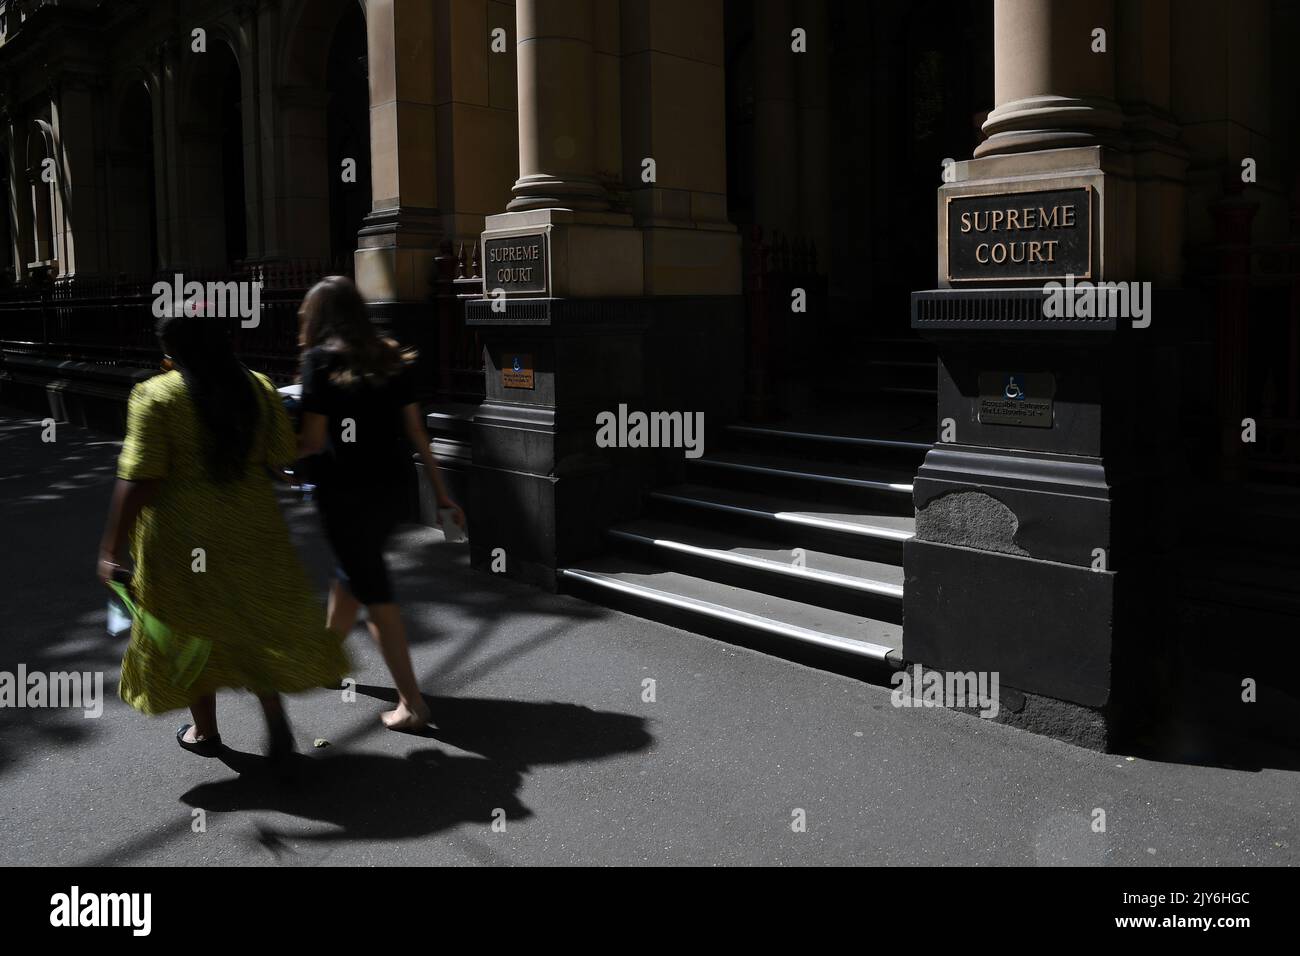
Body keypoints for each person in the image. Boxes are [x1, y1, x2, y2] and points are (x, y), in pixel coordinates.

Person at [97, 311, 350, 765]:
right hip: (252, 528)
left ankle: (205, 731)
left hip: (180, 535)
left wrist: (109, 549)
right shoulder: (257, 387)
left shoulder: (155, 396)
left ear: (170, 353)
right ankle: (273, 711)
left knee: (190, 629)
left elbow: (141, 478)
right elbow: (279, 459)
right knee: (253, 621)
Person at [296, 275, 464, 732]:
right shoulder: (391, 358)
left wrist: (274, 457)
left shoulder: (319, 362)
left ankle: (412, 702)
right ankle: (328, 663)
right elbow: (416, 433)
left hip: (344, 494)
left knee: (375, 592)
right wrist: (442, 492)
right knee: (354, 571)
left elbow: (312, 441)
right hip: (391, 490)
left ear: (321, 316)